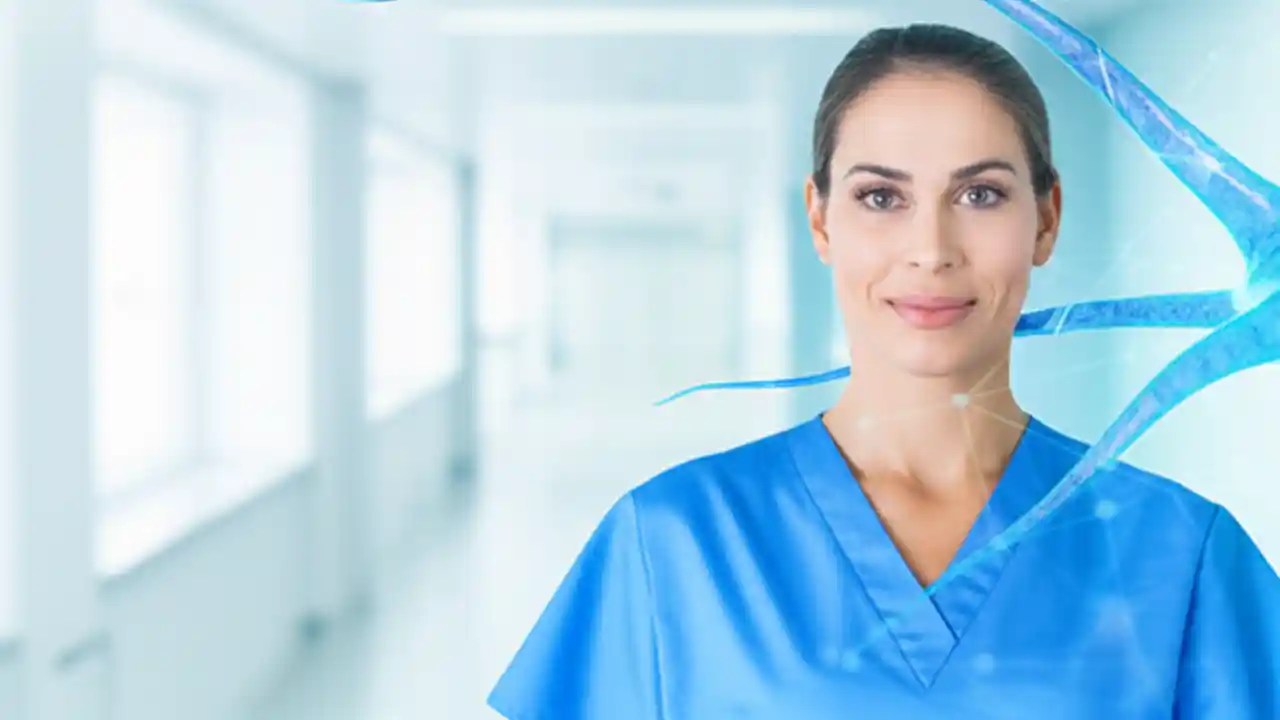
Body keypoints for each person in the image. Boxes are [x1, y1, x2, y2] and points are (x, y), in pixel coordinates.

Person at [486, 23, 1280, 719]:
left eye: (979, 193)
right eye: (879, 197)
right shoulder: (675, 541)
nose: (931, 249)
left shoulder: (1185, 555)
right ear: (820, 217)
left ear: (1046, 218)